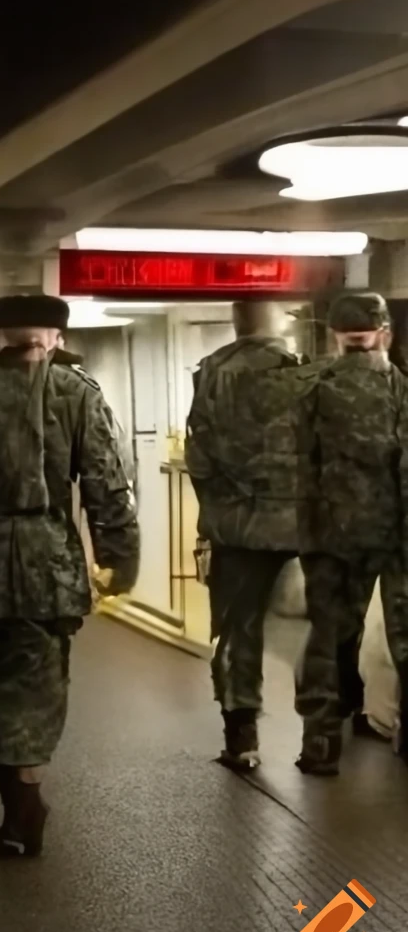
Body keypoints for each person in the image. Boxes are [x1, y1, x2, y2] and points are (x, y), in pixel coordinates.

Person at [0, 295, 139, 858]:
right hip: (49, 560)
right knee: (37, 685)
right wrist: (119, 555)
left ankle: (15, 797)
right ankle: (24, 794)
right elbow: (108, 481)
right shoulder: (78, 393)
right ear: (57, 337)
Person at [185, 301, 308, 772]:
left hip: (236, 529)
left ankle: (242, 738)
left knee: (238, 630)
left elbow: (200, 454)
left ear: (237, 321)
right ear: (276, 321)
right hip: (300, 526)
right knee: (314, 629)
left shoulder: (213, 372)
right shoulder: (306, 372)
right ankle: (319, 738)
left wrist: (216, 509)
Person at [296, 292, 408, 774]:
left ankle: (321, 744)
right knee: (405, 639)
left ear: (334, 338)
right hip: (398, 536)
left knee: (329, 639)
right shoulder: (401, 389)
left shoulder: (312, 389)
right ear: (384, 333)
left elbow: (297, 466)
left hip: (331, 537)